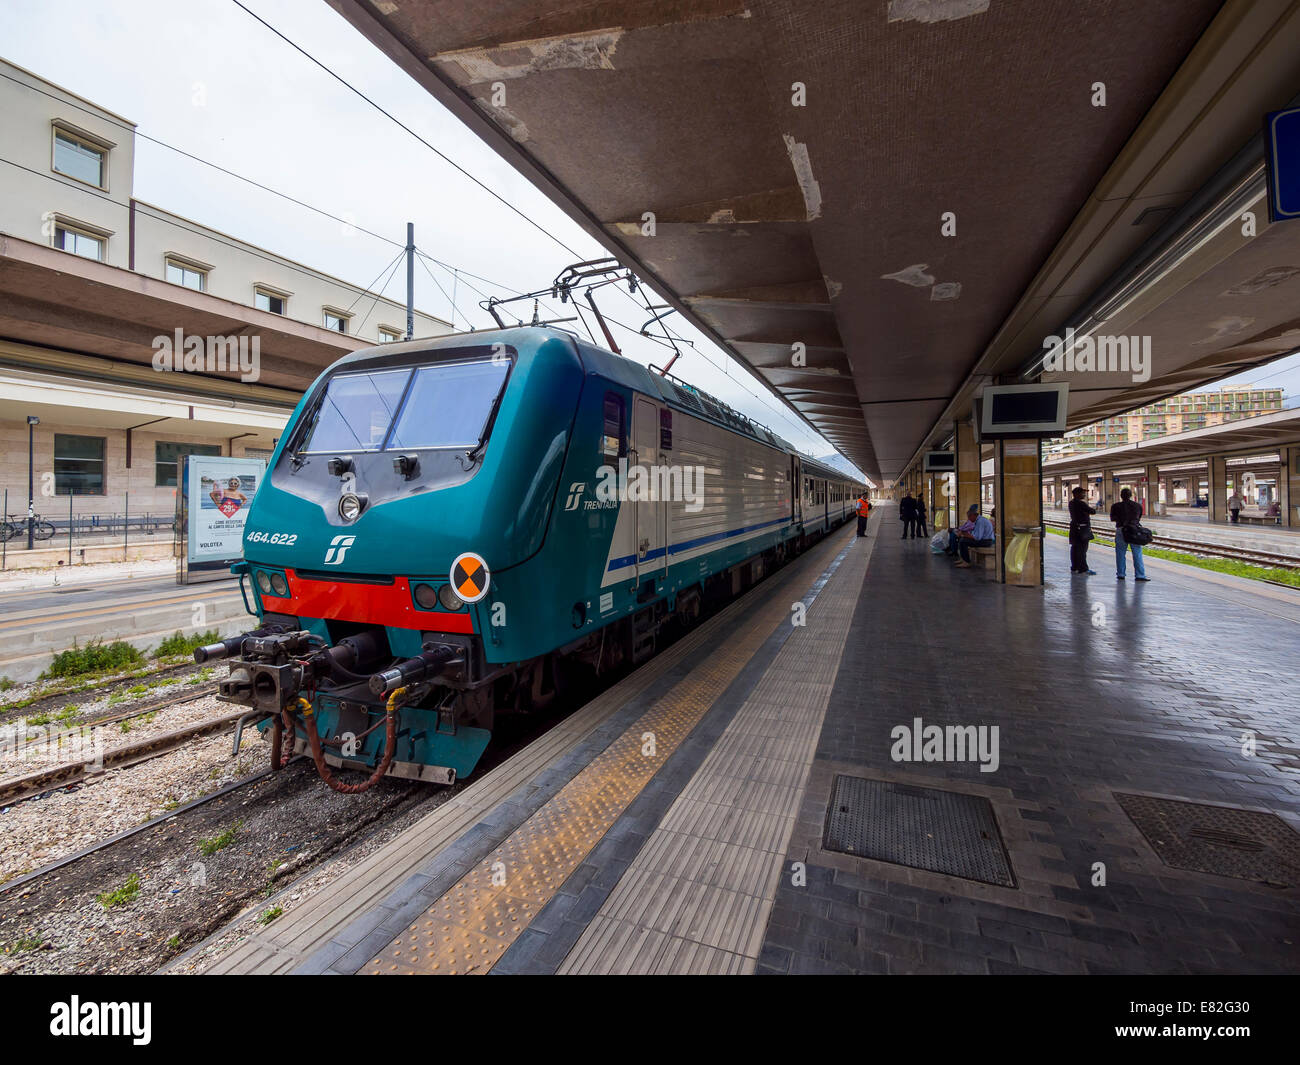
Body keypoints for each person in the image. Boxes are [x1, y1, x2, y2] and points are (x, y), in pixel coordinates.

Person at [1109, 487, 1149, 582]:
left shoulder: (1115, 506)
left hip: (1121, 530)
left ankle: (1121, 574)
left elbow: (1112, 518)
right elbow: (1139, 517)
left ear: (1121, 496)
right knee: (1137, 553)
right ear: (1131, 495)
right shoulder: (1137, 505)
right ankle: (1140, 575)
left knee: (1120, 553)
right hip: (1134, 530)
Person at [1068, 487, 1096, 575]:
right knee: (1082, 549)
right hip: (1082, 529)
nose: (1084, 494)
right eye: (1082, 493)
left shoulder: (1071, 503)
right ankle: (1083, 569)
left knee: (1075, 548)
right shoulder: (1081, 503)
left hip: (1074, 528)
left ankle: (1074, 567)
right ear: (1076, 494)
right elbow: (1092, 511)